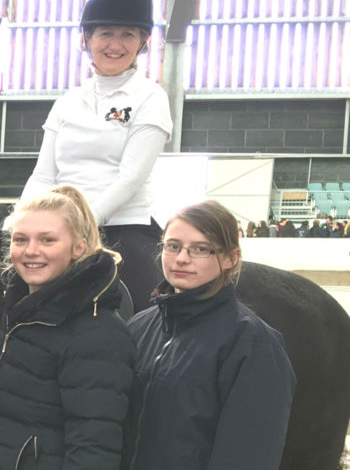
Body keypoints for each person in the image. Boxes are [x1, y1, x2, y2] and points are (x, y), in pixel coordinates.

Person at [0, 185, 135, 470]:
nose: (31, 251)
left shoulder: (97, 332)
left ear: (78, 246)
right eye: (20, 239)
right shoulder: (32, 314)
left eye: (47, 240)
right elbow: (8, 361)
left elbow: (94, 449)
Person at [21, 0, 173, 308]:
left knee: (148, 309)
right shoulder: (67, 101)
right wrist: (20, 221)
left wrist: (78, 226)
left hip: (124, 227)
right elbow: (44, 176)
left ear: (142, 42)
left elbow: (130, 178)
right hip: (60, 228)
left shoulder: (151, 97)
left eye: (127, 35)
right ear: (87, 38)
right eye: (105, 33)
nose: (115, 44)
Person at [123, 200, 296, 469]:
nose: (181, 258)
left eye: (200, 249)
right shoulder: (138, 327)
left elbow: (249, 456)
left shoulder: (254, 344)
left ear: (231, 258)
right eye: (173, 246)